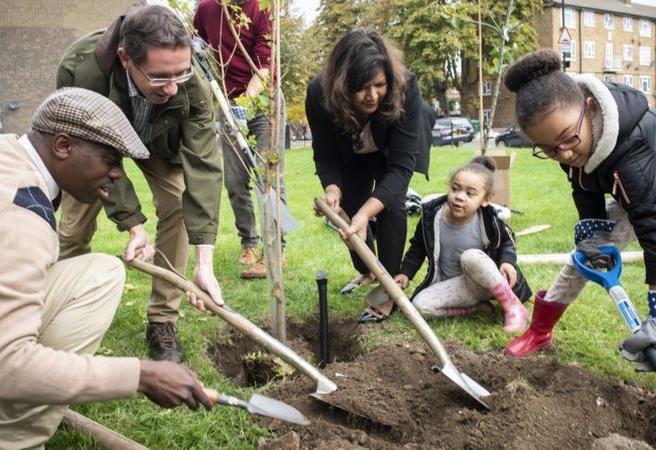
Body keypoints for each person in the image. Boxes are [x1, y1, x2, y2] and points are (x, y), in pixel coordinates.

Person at [0, 88, 215, 448]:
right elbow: (3, 366)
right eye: (110, 160)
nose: (117, 175)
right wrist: (142, 375)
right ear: (63, 146)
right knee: (99, 278)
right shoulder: (16, 216)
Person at [501, 49, 656, 388]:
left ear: (589, 107)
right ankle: (540, 330)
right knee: (586, 257)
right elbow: (584, 184)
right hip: (636, 191)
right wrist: (594, 233)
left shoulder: (630, 144)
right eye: (549, 149)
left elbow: (655, 226)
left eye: (567, 140)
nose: (563, 154)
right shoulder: (569, 136)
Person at [57, 4, 224, 363]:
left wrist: (204, 261)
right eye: (161, 77)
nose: (173, 86)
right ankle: (65, 313)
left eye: (180, 73)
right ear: (125, 59)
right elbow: (88, 157)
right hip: (95, 147)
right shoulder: (82, 70)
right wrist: (132, 224)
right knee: (71, 230)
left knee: (178, 203)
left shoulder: (190, 81)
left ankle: (162, 319)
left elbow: (204, 164)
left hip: (159, 143)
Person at [306, 28, 434, 322]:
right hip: (352, 152)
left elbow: (400, 169)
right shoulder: (318, 93)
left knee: (391, 207)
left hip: (391, 151)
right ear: (341, 84)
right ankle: (366, 270)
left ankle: (387, 290)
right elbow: (324, 152)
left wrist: (369, 212)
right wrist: (333, 188)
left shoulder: (404, 87)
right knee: (350, 213)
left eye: (379, 85)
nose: (372, 95)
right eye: (362, 87)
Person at [193, 0, 289, 279]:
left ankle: (275, 252)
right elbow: (197, 42)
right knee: (235, 181)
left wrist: (245, 104)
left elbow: (264, 64)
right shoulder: (206, 8)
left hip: (263, 101)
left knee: (268, 177)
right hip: (227, 103)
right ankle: (248, 242)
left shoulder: (263, 8)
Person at [394, 156, 531, 331]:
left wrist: (507, 261)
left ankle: (512, 306)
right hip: (454, 288)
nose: (459, 197)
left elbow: (506, 241)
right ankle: (473, 308)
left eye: (470, 194)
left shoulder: (489, 220)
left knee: (471, 256)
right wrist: (406, 272)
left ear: (485, 200)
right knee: (419, 306)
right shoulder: (432, 217)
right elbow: (418, 248)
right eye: (455, 189)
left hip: (485, 283)